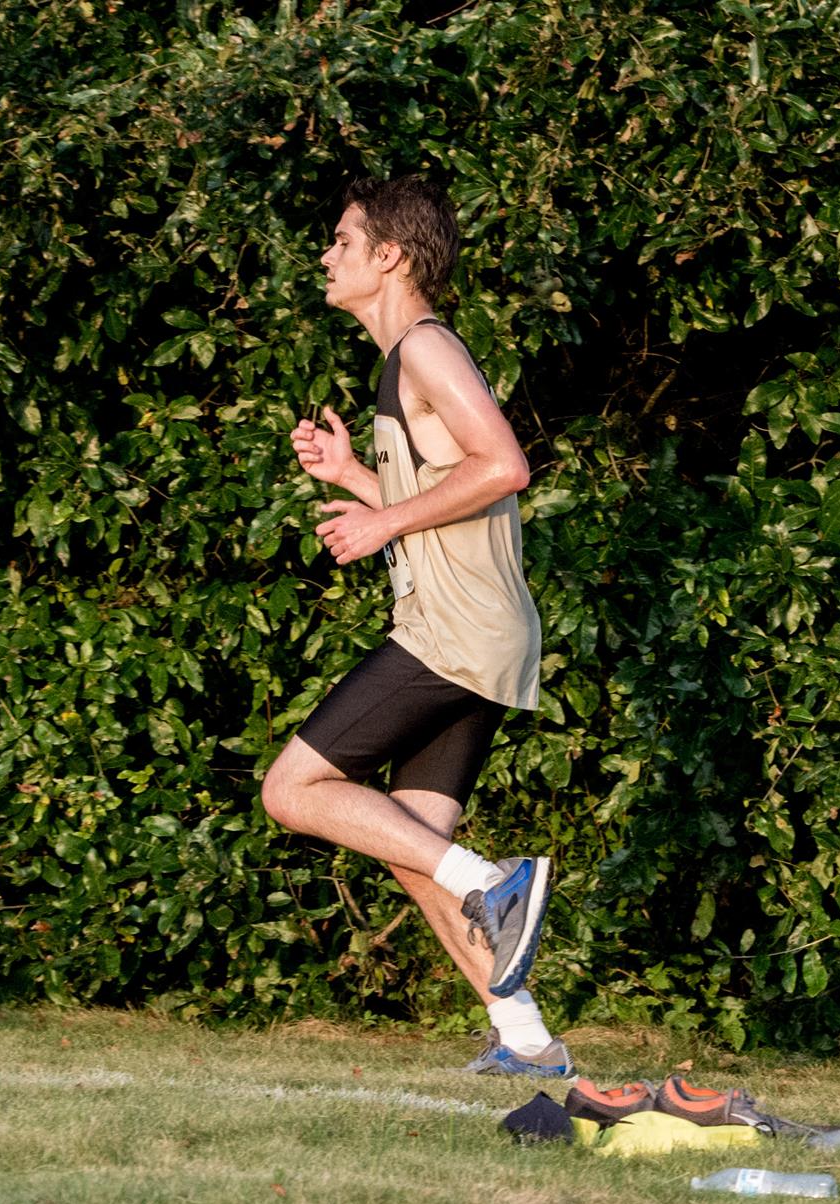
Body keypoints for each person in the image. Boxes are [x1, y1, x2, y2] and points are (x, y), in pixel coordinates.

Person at [260, 176, 568, 1078]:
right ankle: (529, 1042)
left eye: (343, 241)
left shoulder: (428, 347)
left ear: (389, 255)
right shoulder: (402, 362)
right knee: (406, 841)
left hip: (454, 632)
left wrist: (384, 521)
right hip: (473, 632)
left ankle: (495, 883)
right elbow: (449, 495)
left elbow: (504, 466)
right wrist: (360, 479)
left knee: (293, 790)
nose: (328, 255)